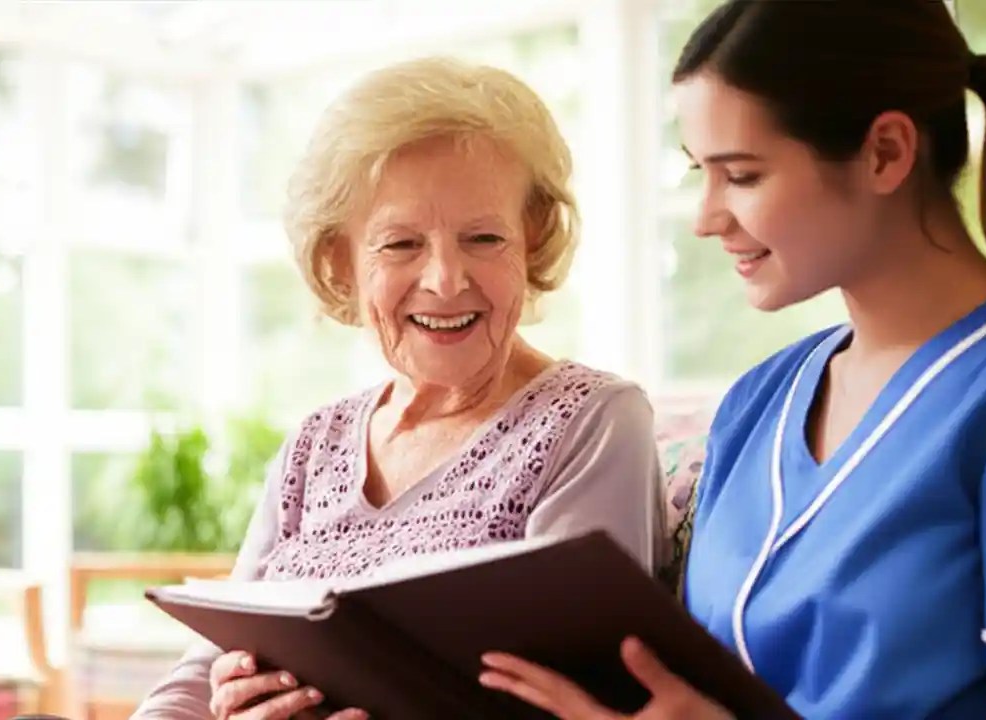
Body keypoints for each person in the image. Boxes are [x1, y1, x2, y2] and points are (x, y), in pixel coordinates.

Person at [478, 1, 986, 718]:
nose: (706, 217)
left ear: (886, 152)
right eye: (701, 173)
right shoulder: (761, 402)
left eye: (743, 176)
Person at [133, 57, 665, 720]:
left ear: (531, 244)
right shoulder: (314, 444)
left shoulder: (592, 422)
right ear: (341, 262)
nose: (445, 279)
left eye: (484, 237)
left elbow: (574, 697)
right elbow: (201, 671)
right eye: (401, 244)